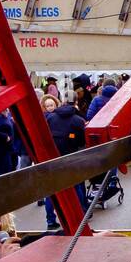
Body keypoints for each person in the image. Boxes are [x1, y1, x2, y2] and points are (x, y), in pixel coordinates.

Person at [44, 95, 89, 230]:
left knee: (52, 191)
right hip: (71, 157)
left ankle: (51, 220)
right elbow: (82, 141)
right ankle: (81, 215)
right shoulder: (77, 120)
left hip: (53, 159)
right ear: (74, 105)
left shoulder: (51, 118)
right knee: (76, 186)